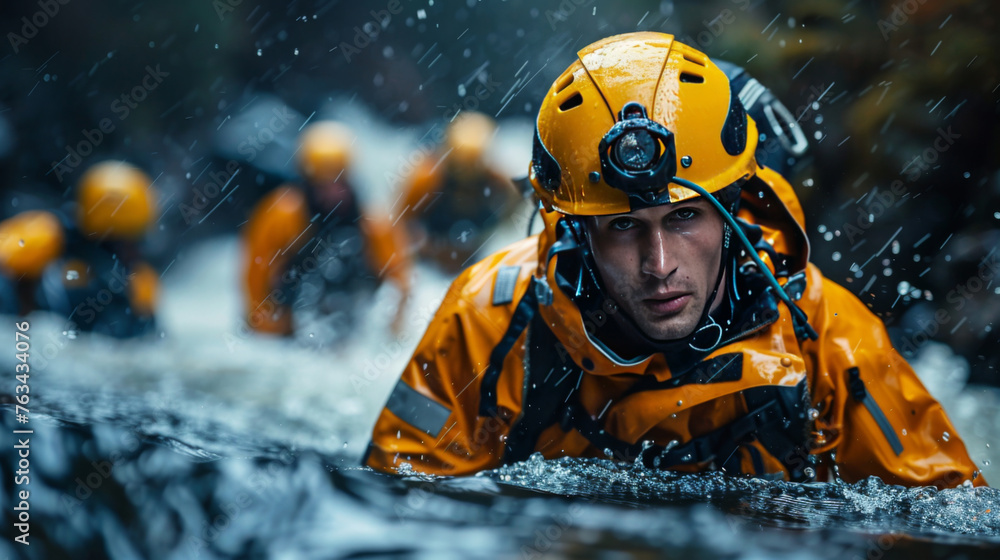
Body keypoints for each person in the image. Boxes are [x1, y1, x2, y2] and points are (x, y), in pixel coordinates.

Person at [363, 33, 985, 488]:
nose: (658, 264)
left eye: (685, 217)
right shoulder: (488, 318)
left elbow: (950, 519)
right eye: (623, 228)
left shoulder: (828, 336)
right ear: (576, 231)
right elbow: (400, 502)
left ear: (734, 210)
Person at [242, 120, 411, 341]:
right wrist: (270, 332)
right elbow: (256, 276)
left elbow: (400, 281)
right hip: (291, 324)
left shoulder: (372, 220)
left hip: (352, 320)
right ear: (307, 180)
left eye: (338, 181)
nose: (332, 192)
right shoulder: (281, 214)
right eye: (322, 184)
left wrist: (392, 334)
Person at [0, 160, 160, 337]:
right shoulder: (46, 236)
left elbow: (149, 339)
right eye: (132, 240)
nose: (136, 251)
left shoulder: (141, 281)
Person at [400, 111, 522, 273]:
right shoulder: (427, 179)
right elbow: (400, 222)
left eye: (473, 165)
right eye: (462, 165)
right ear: (450, 156)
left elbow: (514, 209)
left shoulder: (497, 181)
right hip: (430, 264)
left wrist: (489, 237)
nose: (467, 173)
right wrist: (426, 248)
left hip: (472, 259)